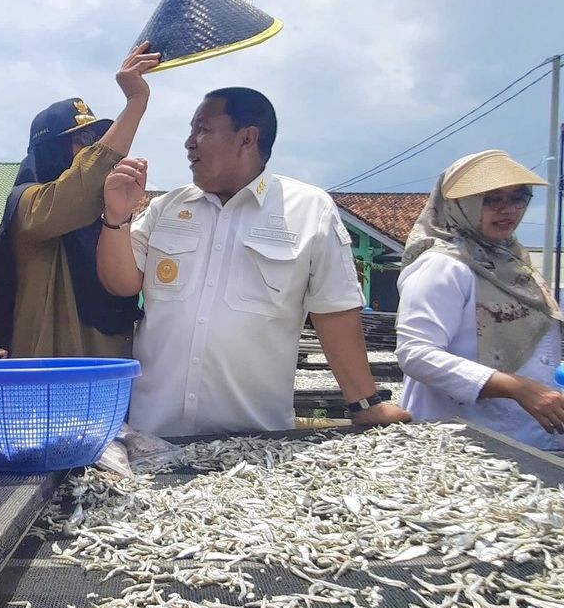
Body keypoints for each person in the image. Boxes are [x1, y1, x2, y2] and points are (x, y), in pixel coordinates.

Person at [97, 87, 410, 436]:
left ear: (247, 138)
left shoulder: (308, 210)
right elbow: (121, 283)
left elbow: (334, 312)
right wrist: (116, 216)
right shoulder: (168, 207)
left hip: (256, 444)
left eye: (202, 129)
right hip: (151, 433)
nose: (189, 143)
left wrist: (366, 405)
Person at [0, 42, 160, 358]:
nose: (92, 149)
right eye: (82, 142)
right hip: (52, 380)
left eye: (94, 141)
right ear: (51, 152)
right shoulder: (29, 206)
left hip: (112, 375)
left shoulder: (107, 213)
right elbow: (77, 187)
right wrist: (135, 103)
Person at [396, 150, 564, 449]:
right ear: (460, 204)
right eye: (491, 199)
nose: (507, 209)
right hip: (462, 443)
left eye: (518, 197)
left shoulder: (511, 261)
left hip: (526, 438)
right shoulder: (443, 265)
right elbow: (416, 354)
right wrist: (515, 388)